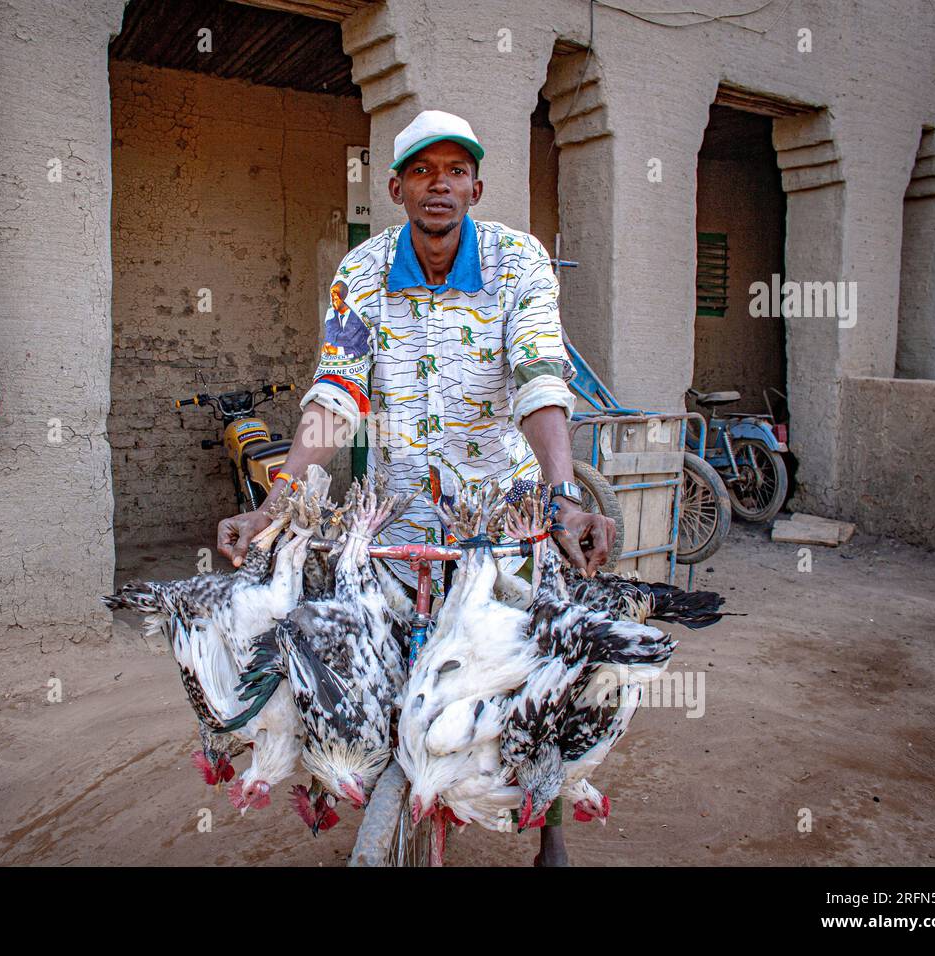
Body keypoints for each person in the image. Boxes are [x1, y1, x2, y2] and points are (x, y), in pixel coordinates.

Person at [216, 109, 616, 866]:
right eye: (424, 172)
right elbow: (336, 394)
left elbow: (538, 378)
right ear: (397, 187)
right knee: (386, 670)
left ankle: (551, 829)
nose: (442, 185)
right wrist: (276, 501)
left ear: (476, 185)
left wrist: (562, 495)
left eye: (456, 171)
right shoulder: (361, 273)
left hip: (505, 516)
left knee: (535, 673)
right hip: (395, 522)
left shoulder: (517, 261)